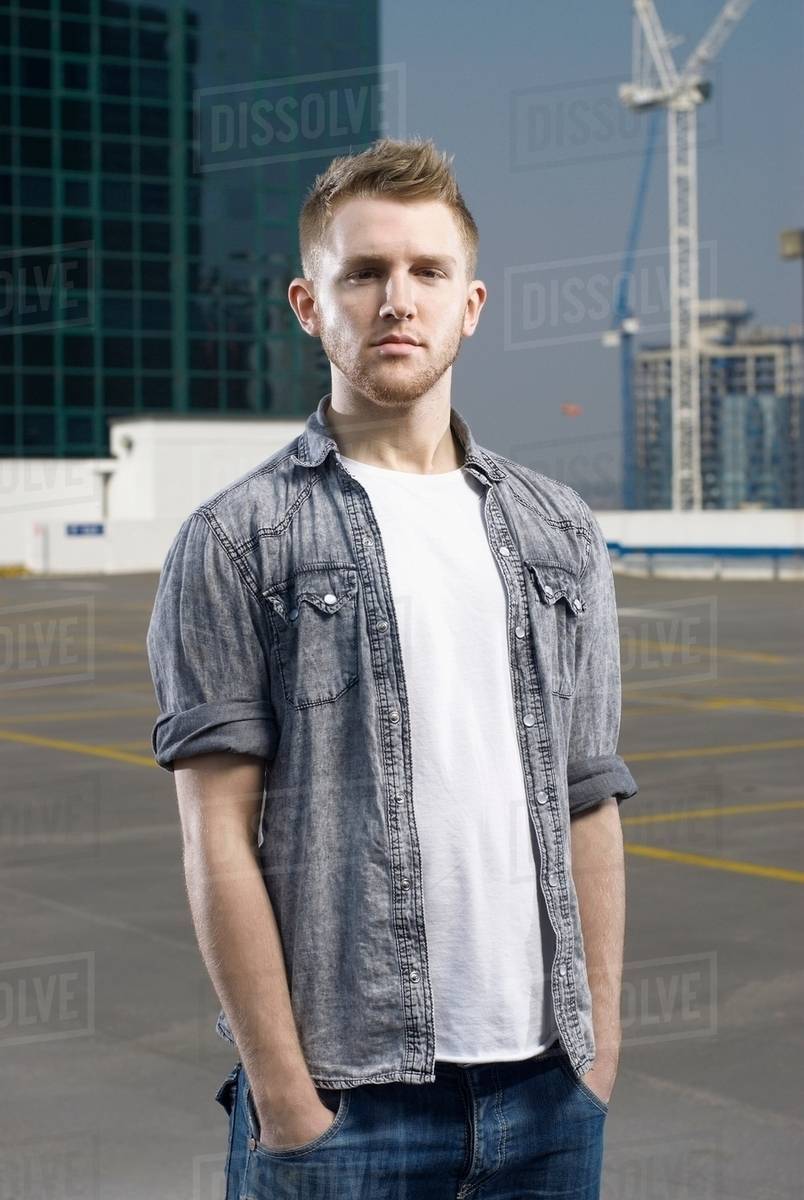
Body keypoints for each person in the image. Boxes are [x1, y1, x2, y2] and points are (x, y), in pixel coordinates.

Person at [146, 136, 639, 1199]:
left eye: (426, 272)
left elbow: (588, 802)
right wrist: (287, 1101)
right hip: (342, 1103)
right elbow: (216, 836)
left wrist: (597, 1051)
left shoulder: (560, 532)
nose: (396, 300)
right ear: (308, 305)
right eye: (362, 273)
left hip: (550, 1095)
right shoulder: (236, 541)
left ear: (470, 305)